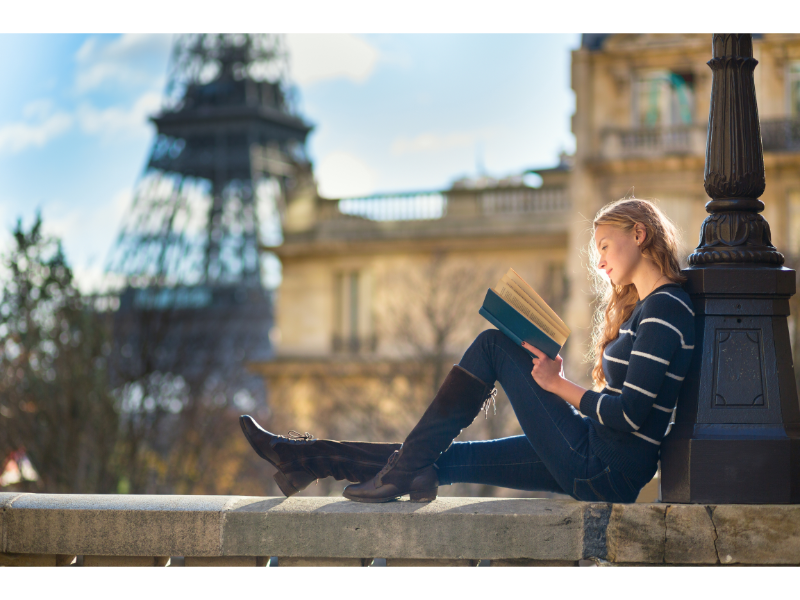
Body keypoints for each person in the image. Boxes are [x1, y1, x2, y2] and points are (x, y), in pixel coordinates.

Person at [241, 198, 694, 503]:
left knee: (494, 345)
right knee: (439, 461)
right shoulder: (652, 309)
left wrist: (558, 385)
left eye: (604, 246)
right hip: (595, 454)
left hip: (603, 466)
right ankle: (308, 459)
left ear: (639, 234)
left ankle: (336, 463)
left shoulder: (665, 309)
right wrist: (554, 381)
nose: (599, 261)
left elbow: (630, 415)